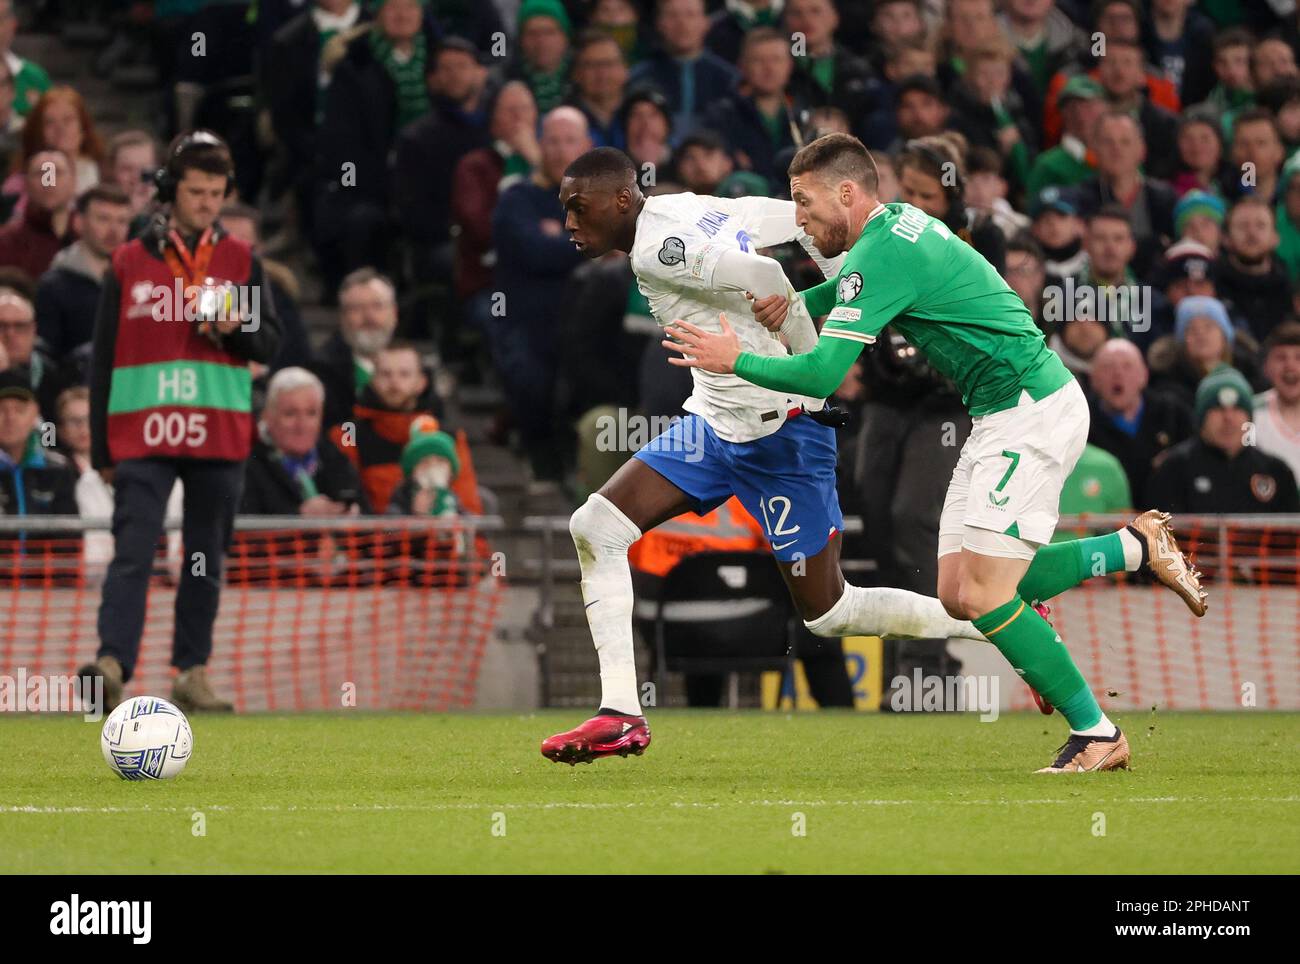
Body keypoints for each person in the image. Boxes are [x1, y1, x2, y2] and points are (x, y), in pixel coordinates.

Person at [664, 133, 1208, 772]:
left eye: (806, 204)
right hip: (1001, 415)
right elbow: (849, 300)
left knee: (983, 593)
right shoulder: (894, 232)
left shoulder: (879, 254)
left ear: (848, 192)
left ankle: (1097, 733)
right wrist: (791, 307)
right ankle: (1137, 546)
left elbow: (820, 376)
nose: (801, 221)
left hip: (1033, 410)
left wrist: (738, 358)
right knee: (958, 591)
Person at [543, 145, 998, 766]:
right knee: (596, 524)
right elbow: (763, 216)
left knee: (830, 613)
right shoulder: (678, 207)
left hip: (782, 432)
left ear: (621, 200)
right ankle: (621, 713)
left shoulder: (656, 247)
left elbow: (765, 277)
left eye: (577, 207)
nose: (570, 221)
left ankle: (997, 621)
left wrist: (813, 369)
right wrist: (819, 238)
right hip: (712, 425)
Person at [78, 131, 282, 716]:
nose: (207, 204)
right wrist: (101, 451)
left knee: (205, 558)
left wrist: (235, 329)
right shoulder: (128, 260)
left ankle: (191, 672)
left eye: (217, 193)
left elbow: (272, 342)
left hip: (218, 434)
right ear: (170, 191)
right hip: (141, 433)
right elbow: (103, 358)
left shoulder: (243, 261)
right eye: (196, 191)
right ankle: (113, 664)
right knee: (133, 550)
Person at [1147, 366, 1300, 513]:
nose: (1228, 417)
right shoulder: (1174, 469)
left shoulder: (1276, 471)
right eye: (1217, 408)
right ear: (1201, 419)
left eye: (1237, 408)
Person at [241, 367, 366, 516]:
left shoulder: (336, 458)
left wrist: (355, 516)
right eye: (290, 414)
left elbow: (370, 515)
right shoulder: (246, 464)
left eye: (311, 413)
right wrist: (299, 517)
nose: (302, 425)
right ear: (268, 416)